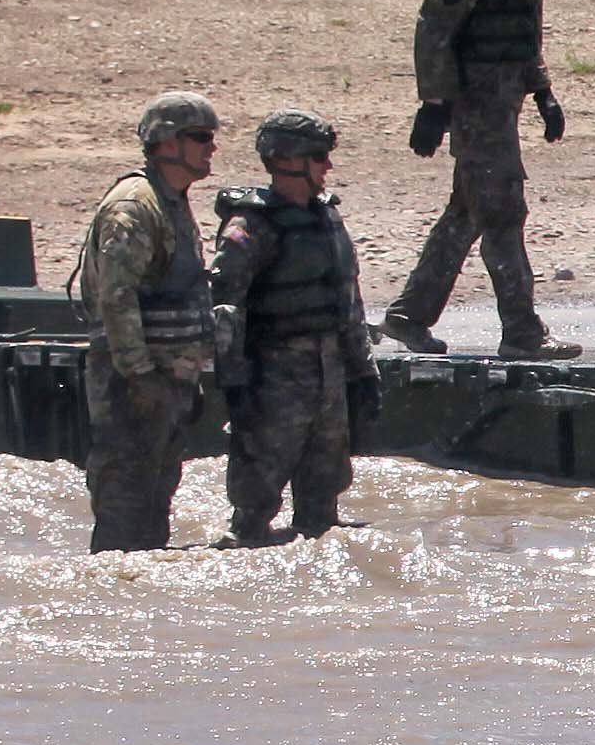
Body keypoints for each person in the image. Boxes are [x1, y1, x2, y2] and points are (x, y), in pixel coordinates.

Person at [383, 0, 580, 359]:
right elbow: (434, 30)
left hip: (501, 101)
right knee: (502, 213)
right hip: (479, 108)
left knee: (466, 214)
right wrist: (432, 104)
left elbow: (520, 34)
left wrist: (542, 91)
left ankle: (408, 316)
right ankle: (522, 333)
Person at [213, 108, 381, 545]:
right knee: (254, 504)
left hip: (329, 371)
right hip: (273, 376)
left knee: (325, 498)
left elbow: (349, 302)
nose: (329, 166)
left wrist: (363, 373)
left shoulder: (328, 219)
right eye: (321, 156)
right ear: (289, 160)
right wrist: (234, 383)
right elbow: (225, 309)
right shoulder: (250, 227)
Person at [74, 92, 221, 554]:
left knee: (155, 506)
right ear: (165, 144)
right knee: (124, 509)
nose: (210, 148)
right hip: (132, 384)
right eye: (200, 138)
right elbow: (116, 300)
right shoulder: (135, 206)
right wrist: (139, 377)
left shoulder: (171, 201)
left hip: (165, 381)